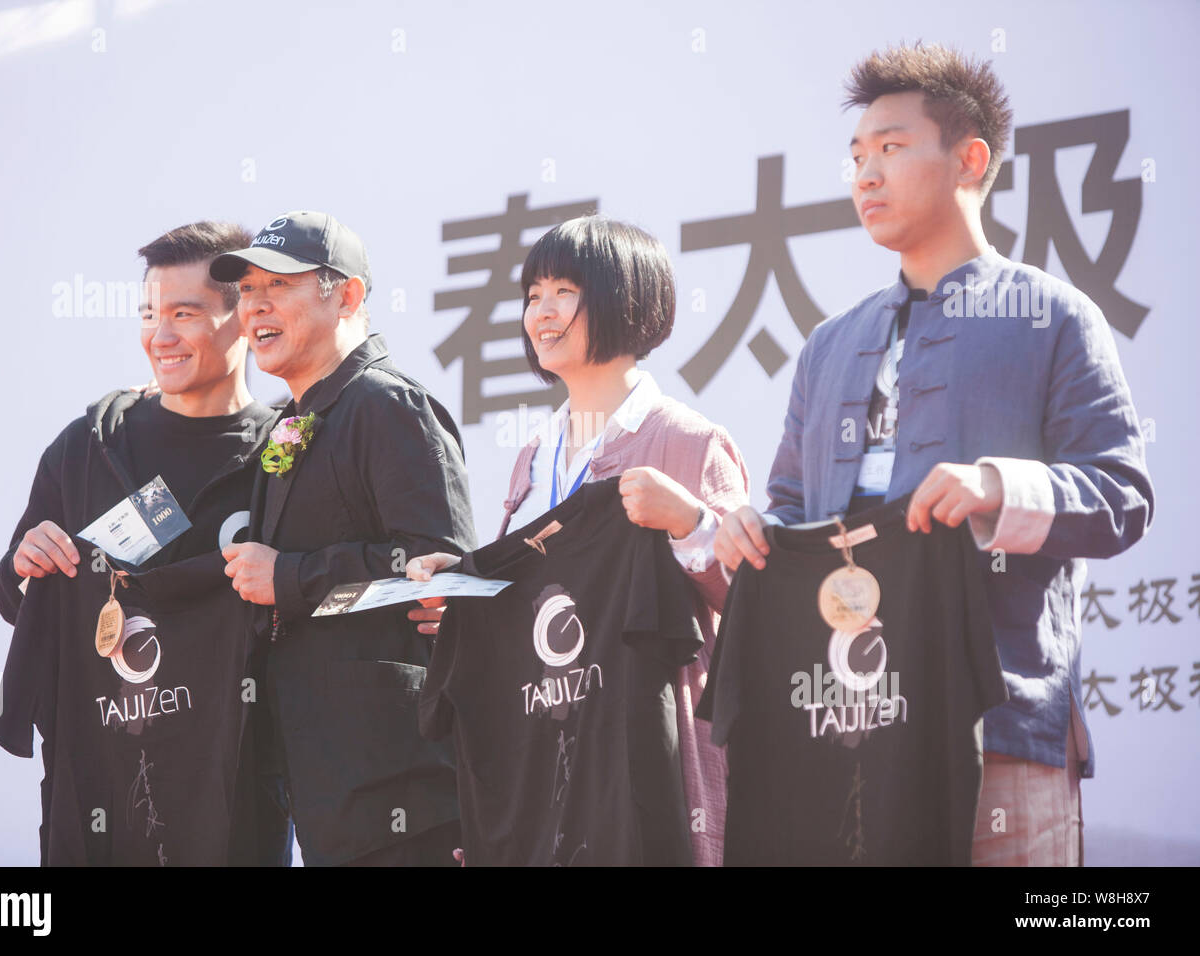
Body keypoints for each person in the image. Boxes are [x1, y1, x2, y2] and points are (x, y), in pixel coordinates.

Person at [714, 43, 1154, 866]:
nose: (865, 175)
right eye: (855, 157)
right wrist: (752, 529)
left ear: (969, 158)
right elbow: (788, 503)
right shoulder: (827, 347)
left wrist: (996, 485)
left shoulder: (1054, 316)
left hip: (999, 725)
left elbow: (1122, 496)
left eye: (891, 148)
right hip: (833, 729)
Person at [407, 215, 751, 866]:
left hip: (648, 772)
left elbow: (757, 603)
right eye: (532, 295)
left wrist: (689, 524)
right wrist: (467, 590)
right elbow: (540, 599)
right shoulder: (533, 456)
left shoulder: (686, 439)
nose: (542, 312)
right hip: (546, 778)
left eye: (564, 291)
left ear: (628, 298)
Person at [0, 221, 283, 864]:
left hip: (232, 799)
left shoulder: (286, 451)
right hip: (96, 793)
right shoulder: (89, 445)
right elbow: (16, 598)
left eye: (186, 313)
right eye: (150, 313)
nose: (162, 335)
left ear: (243, 321)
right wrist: (24, 563)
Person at [212, 210, 476, 866]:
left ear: (348, 295)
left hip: (405, 792)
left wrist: (292, 578)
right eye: (245, 290)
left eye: (279, 286)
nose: (256, 306)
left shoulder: (389, 406)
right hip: (323, 790)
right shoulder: (290, 427)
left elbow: (441, 574)